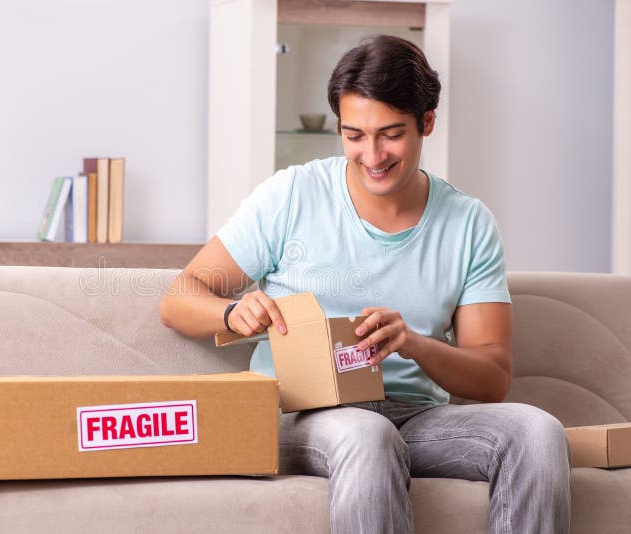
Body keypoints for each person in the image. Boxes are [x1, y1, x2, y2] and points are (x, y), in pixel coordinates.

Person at [160, 34, 570, 533]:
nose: (371, 154)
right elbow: (180, 295)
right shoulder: (293, 194)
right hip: (303, 412)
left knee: (537, 431)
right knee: (368, 434)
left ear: (427, 124)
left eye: (390, 134)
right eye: (353, 135)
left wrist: (415, 345)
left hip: (415, 417)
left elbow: (492, 377)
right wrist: (230, 313)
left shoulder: (467, 223)